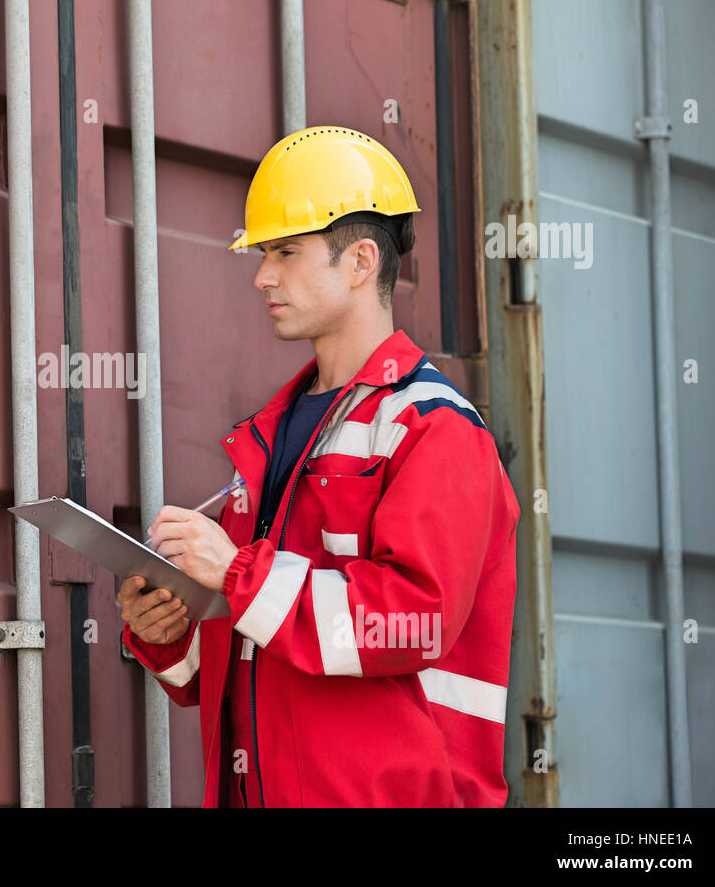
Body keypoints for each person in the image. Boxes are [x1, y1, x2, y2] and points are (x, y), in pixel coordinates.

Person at [118, 126, 520, 807]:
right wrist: (172, 634)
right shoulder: (270, 438)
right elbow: (258, 646)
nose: (262, 275)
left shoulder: (435, 429)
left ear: (361, 260)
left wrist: (237, 573)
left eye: (285, 251)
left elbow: (411, 621)